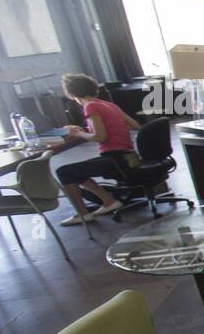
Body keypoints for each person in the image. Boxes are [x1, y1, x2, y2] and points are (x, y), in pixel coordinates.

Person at [55, 73, 142, 225]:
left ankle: (83, 214)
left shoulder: (90, 107)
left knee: (64, 172)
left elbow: (100, 137)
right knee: (74, 171)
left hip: (114, 160)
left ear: (72, 94)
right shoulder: (108, 105)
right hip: (128, 156)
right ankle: (108, 201)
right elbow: (135, 125)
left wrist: (78, 133)